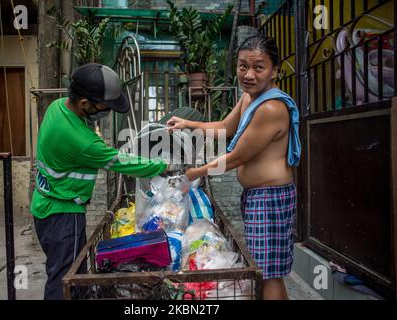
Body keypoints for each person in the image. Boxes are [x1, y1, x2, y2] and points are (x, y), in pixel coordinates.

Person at [167, 34, 301, 300]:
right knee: (268, 270)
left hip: (270, 198)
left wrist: (194, 174)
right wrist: (189, 124)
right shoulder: (249, 98)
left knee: (266, 273)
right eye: (243, 66)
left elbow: (237, 157)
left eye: (259, 67)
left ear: (275, 71)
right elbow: (225, 128)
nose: (249, 74)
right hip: (257, 196)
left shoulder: (271, 108)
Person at [30, 63, 168, 299]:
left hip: (44, 205)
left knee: (64, 272)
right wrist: (164, 165)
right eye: (106, 106)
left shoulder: (57, 108)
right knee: (67, 280)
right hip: (64, 214)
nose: (109, 111)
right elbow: (121, 162)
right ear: (84, 103)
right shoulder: (82, 142)